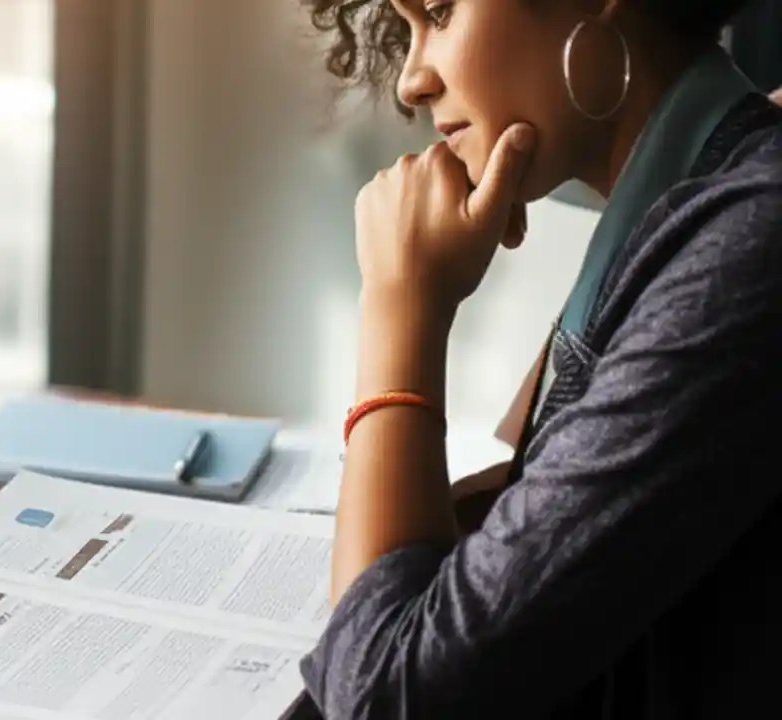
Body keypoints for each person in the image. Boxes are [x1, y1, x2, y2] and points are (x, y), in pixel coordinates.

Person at [298, 0, 782, 717]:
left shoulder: (746, 246)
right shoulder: (696, 202)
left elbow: (385, 695)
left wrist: (402, 309)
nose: (411, 80)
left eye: (438, 11)